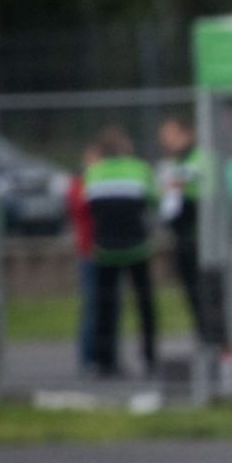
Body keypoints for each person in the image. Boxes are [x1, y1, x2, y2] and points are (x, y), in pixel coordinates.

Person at [83, 125, 159, 377]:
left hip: (105, 249)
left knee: (104, 306)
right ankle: (150, 358)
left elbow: (88, 206)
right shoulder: (140, 169)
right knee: (145, 305)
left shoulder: (94, 172)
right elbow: (154, 200)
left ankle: (105, 362)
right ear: (126, 149)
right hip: (137, 247)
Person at [155, 116, 211, 344]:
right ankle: (203, 335)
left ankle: (213, 337)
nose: (167, 142)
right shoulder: (173, 164)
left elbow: (195, 180)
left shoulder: (199, 159)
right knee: (190, 291)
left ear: (187, 135)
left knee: (206, 291)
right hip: (182, 237)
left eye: (172, 136)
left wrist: (176, 182)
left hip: (202, 238)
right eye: (164, 138)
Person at [66, 144, 101, 374]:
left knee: (109, 306)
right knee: (90, 305)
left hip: (107, 251)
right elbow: (80, 207)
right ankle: (86, 358)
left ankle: (106, 357)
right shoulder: (80, 184)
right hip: (88, 252)